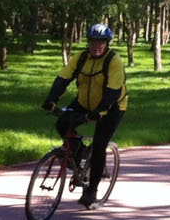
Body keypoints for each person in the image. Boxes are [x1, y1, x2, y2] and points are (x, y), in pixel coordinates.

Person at [42, 23, 128, 209]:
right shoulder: (81, 58)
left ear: (107, 43)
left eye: (101, 42)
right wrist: (51, 100)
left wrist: (99, 113)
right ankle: (80, 153)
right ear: (88, 42)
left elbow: (113, 92)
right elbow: (63, 79)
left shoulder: (114, 61)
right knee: (62, 124)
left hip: (113, 106)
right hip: (85, 102)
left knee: (99, 145)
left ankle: (92, 190)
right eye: (93, 42)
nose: (96, 46)